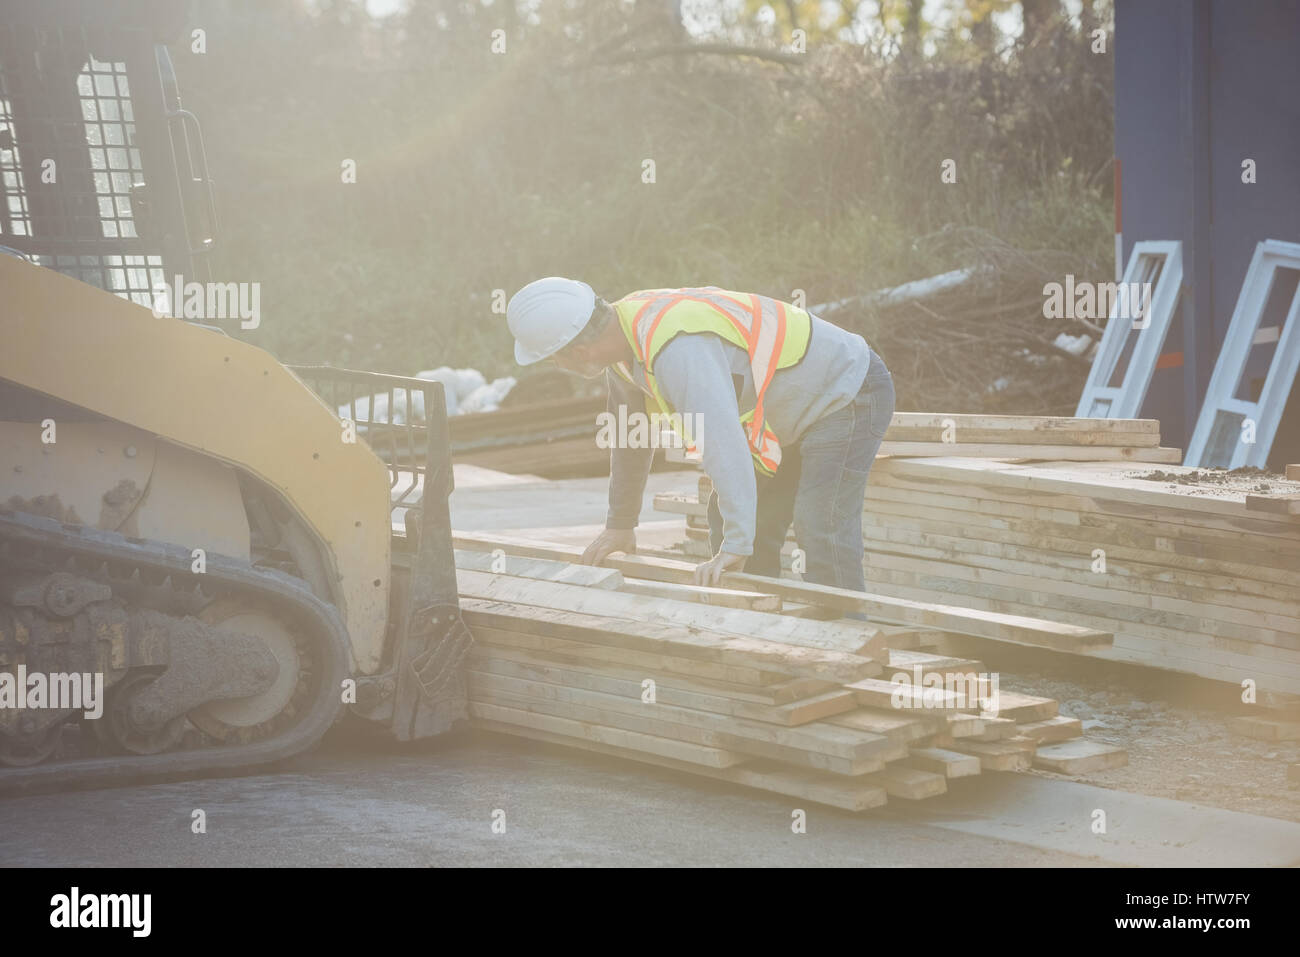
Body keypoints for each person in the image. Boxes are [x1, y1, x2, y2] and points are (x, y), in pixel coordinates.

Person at [506, 278, 894, 591]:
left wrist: (737, 546)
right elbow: (630, 439)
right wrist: (621, 523)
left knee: (819, 523)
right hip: (786, 410)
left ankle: (846, 640)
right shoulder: (623, 346)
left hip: (844, 393)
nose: (556, 366)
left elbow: (722, 443)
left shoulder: (677, 347)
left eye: (553, 357)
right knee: (732, 521)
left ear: (579, 350)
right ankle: (763, 633)